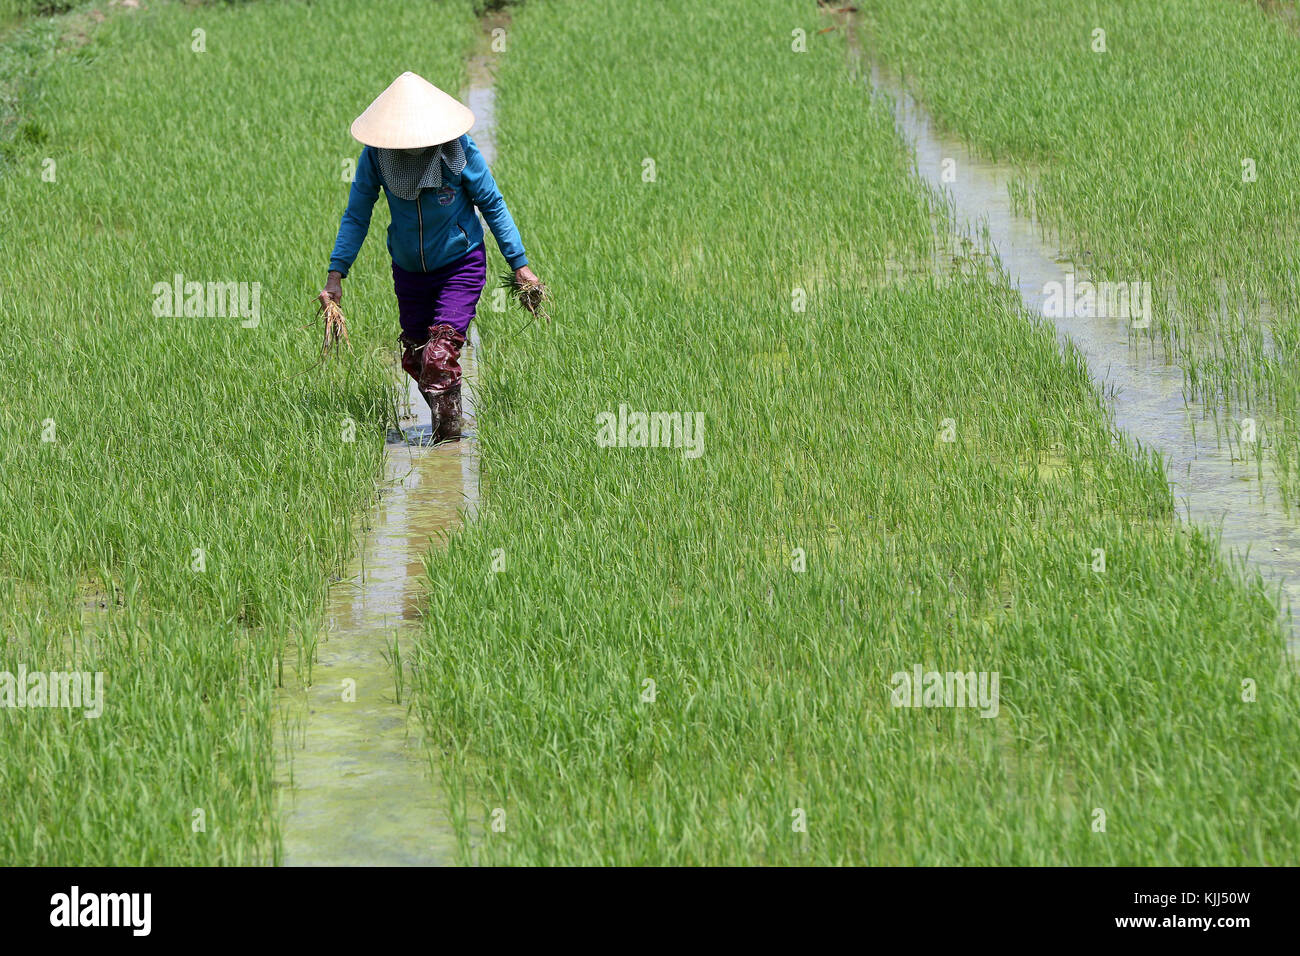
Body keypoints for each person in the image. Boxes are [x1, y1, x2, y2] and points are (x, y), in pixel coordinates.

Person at [320, 71, 540, 440]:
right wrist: (335, 274)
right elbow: (357, 214)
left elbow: (492, 204)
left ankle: (447, 445)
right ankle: (449, 428)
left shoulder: (459, 150)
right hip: (409, 271)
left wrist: (520, 264)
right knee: (417, 358)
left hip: (460, 264)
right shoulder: (378, 156)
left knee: (438, 355)